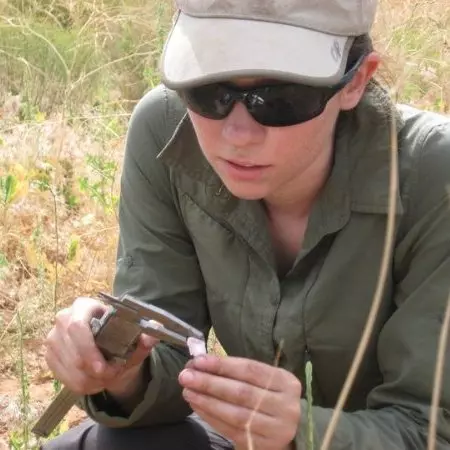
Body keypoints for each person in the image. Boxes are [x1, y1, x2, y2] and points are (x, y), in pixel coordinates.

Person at [41, 0, 450, 449]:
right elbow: (167, 358)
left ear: (355, 81)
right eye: (208, 91)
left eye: (280, 100)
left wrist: (301, 430)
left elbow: (432, 426)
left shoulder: (434, 176)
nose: (238, 133)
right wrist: (121, 373)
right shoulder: (164, 131)